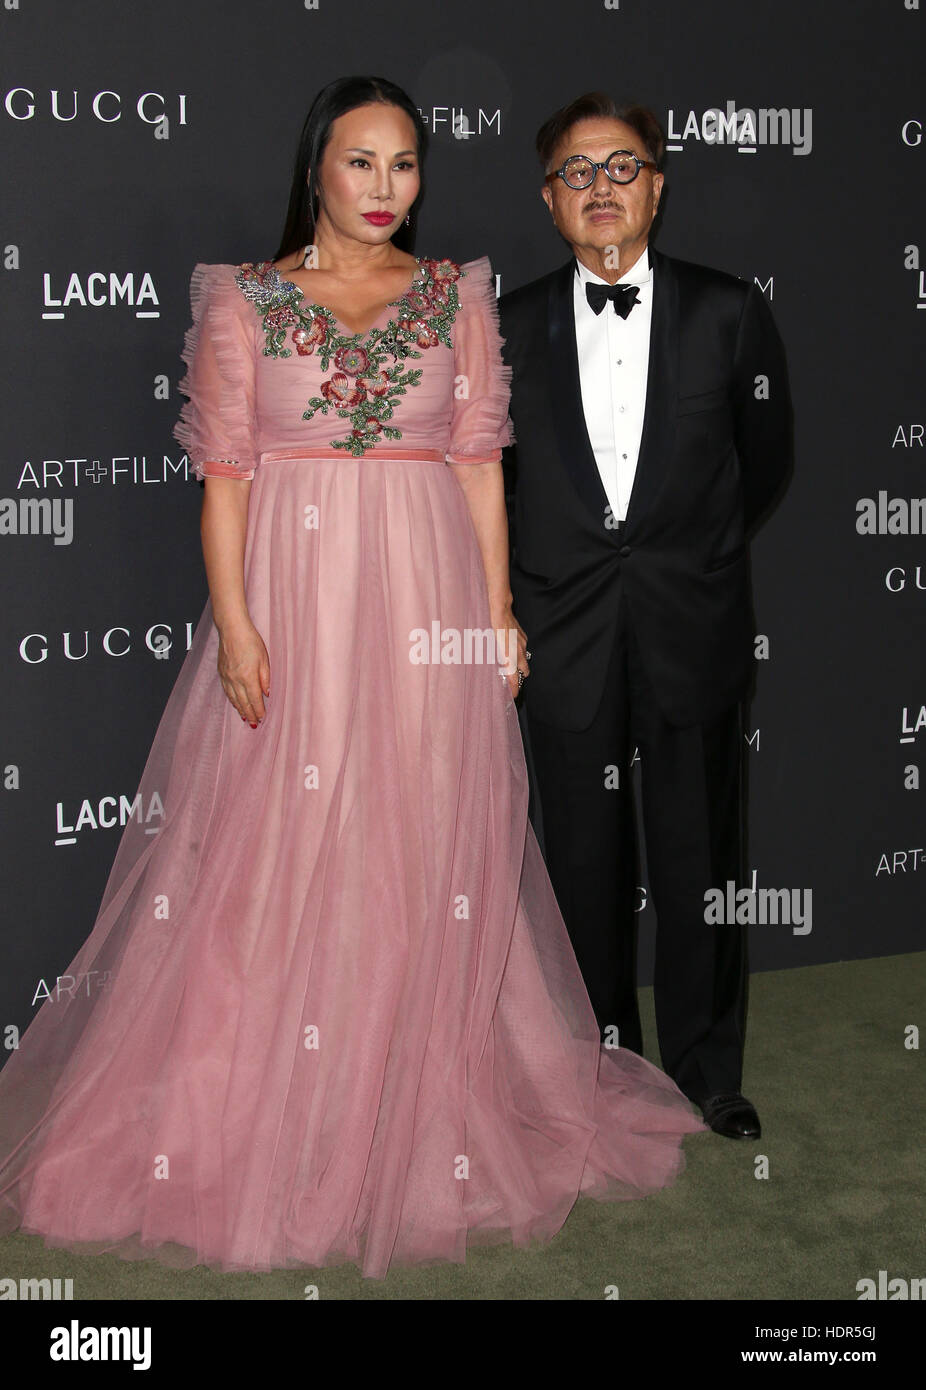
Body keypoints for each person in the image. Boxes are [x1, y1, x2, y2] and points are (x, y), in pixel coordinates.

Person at [0, 77, 704, 1281]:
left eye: (404, 164)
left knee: (416, 839)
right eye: (361, 161)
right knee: (272, 846)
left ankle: (411, 1108)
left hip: (428, 602)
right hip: (296, 604)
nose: (384, 187)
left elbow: (475, 466)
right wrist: (235, 625)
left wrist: (493, 614)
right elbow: (226, 479)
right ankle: (263, 1112)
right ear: (315, 168)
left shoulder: (452, 297)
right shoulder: (244, 301)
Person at [500, 94, 793, 1140]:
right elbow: (493, 484)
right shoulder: (505, 326)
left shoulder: (728, 312)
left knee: (700, 866)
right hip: (564, 634)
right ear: (548, 201)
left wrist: (688, 557)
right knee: (583, 871)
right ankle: (599, 1075)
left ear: (657, 187)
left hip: (690, 626)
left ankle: (710, 1072)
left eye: (621, 167)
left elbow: (764, 465)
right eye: (575, 173)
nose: (600, 189)